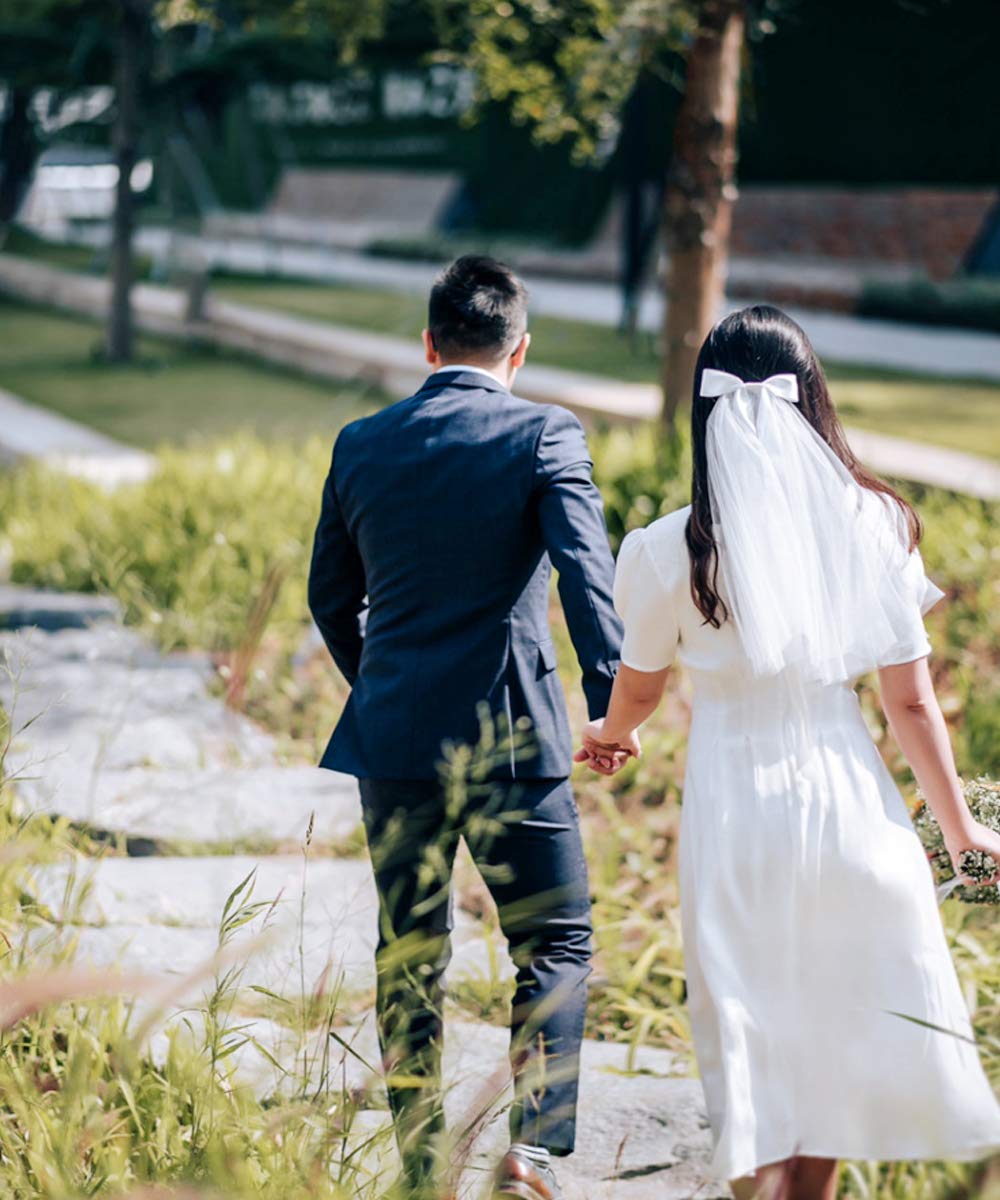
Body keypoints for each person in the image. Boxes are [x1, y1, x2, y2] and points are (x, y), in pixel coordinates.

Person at [577, 305, 1000, 1199]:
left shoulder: (667, 549)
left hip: (738, 815)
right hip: (854, 809)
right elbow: (910, 701)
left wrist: (614, 737)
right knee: (834, 1046)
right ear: (814, 406)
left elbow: (640, 688)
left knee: (751, 1040)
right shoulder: (873, 526)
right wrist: (961, 831)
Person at [308, 255, 622, 1199]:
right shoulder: (545, 435)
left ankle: (418, 1166)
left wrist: (385, 686)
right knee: (556, 942)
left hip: (395, 742)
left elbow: (332, 599)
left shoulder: (362, 441)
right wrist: (609, 703)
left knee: (409, 951)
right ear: (519, 351)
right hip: (516, 739)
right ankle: (530, 1152)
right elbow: (584, 574)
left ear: (429, 344)